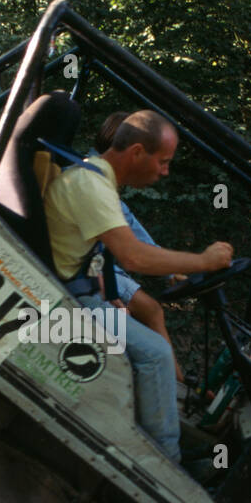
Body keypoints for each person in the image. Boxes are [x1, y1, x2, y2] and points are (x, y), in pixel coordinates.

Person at [43, 109, 233, 464]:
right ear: (136, 154)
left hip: (76, 291)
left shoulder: (96, 180)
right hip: (63, 300)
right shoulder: (91, 185)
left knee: (148, 341)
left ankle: (168, 431)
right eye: (163, 162)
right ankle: (168, 468)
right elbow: (134, 258)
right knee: (155, 353)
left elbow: (131, 253)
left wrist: (182, 271)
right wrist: (203, 262)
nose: (165, 171)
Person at [91, 112, 183, 381]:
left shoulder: (105, 181)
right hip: (88, 269)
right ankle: (175, 387)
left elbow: (128, 230)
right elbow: (127, 254)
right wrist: (102, 284)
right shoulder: (93, 180)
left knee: (145, 311)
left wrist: (170, 270)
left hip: (95, 265)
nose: (161, 171)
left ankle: (177, 385)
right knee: (146, 312)